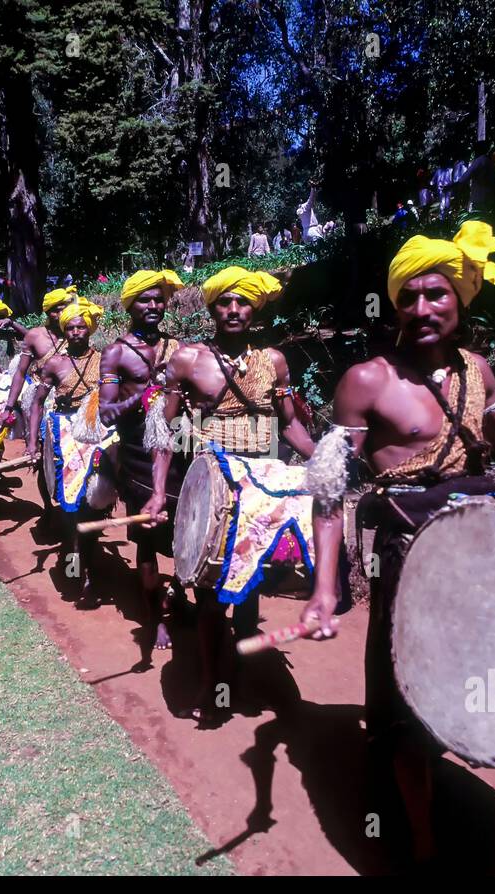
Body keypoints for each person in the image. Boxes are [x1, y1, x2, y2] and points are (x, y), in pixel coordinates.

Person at [299, 225, 495, 867]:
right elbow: (329, 489)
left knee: (481, 680)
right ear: (395, 304)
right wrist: (322, 588)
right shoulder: (366, 381)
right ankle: (422, 844)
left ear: (461, 301)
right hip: (407, 561)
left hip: (483, 555)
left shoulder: (477, 372)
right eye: (410, 296)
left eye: (437, 295)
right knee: (405, 702)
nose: (422, 309)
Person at [152, 266, 317, 721]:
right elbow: (164, 430)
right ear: (212, 307)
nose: (233, 309)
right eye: (225, 302)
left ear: (253, 309)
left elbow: (289, 424)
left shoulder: (274, 360)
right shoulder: (187, 360)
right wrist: (158, 492)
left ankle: (241, 674)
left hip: (262, 483)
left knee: (249, 586)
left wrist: (321, 458)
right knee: (209, 591)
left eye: (242, 302)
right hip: (214, 483)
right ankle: (212, 681)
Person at [97, 269, 186, 653]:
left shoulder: (179, 348)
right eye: (145, 300)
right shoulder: (116, 352)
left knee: (187, 529)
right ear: (130, 305)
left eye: (159, 299)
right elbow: (106, 414)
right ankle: (155, 618)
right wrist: (146, 396)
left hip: (180, 451)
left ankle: (180, 594)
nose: (153, 306)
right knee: (147, 536)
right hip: (137, 455)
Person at [24, 297, 117, 601]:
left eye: (81, 327)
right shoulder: (54, 364)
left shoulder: (104, 360)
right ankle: (76, 566)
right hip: (64, 434)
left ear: (89, 330)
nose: (76, 332)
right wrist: (32, 442)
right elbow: (37, 402)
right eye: (71, 328)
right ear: (65, 331)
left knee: (95, 502)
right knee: (71, 508)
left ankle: (86, 566)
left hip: (97, 431)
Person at [4, 286, 70, 444]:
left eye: (64, 310)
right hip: (41, 395)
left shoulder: (76, 332)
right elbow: (20, 373)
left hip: (69, 393)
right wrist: (9, 407)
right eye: (56, 311)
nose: (61, 315)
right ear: (47, 312)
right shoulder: (35, 336)